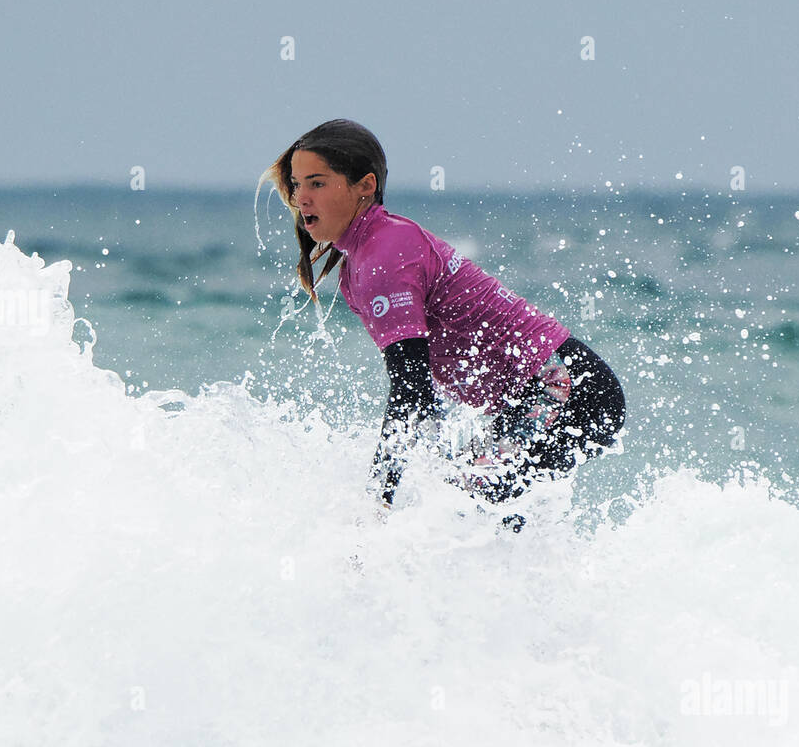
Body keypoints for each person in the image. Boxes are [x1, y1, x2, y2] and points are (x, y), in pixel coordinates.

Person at [258, 119, 624, 515]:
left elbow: (411, 390)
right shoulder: (362, 259)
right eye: (296, 185)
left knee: (457, 508)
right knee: (464, 512)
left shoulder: (384, 253)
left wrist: (378, 500)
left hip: (567, 387)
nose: (301, 198)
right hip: (535, 396)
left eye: (317, 183)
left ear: (364, 186)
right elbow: (420, 394)